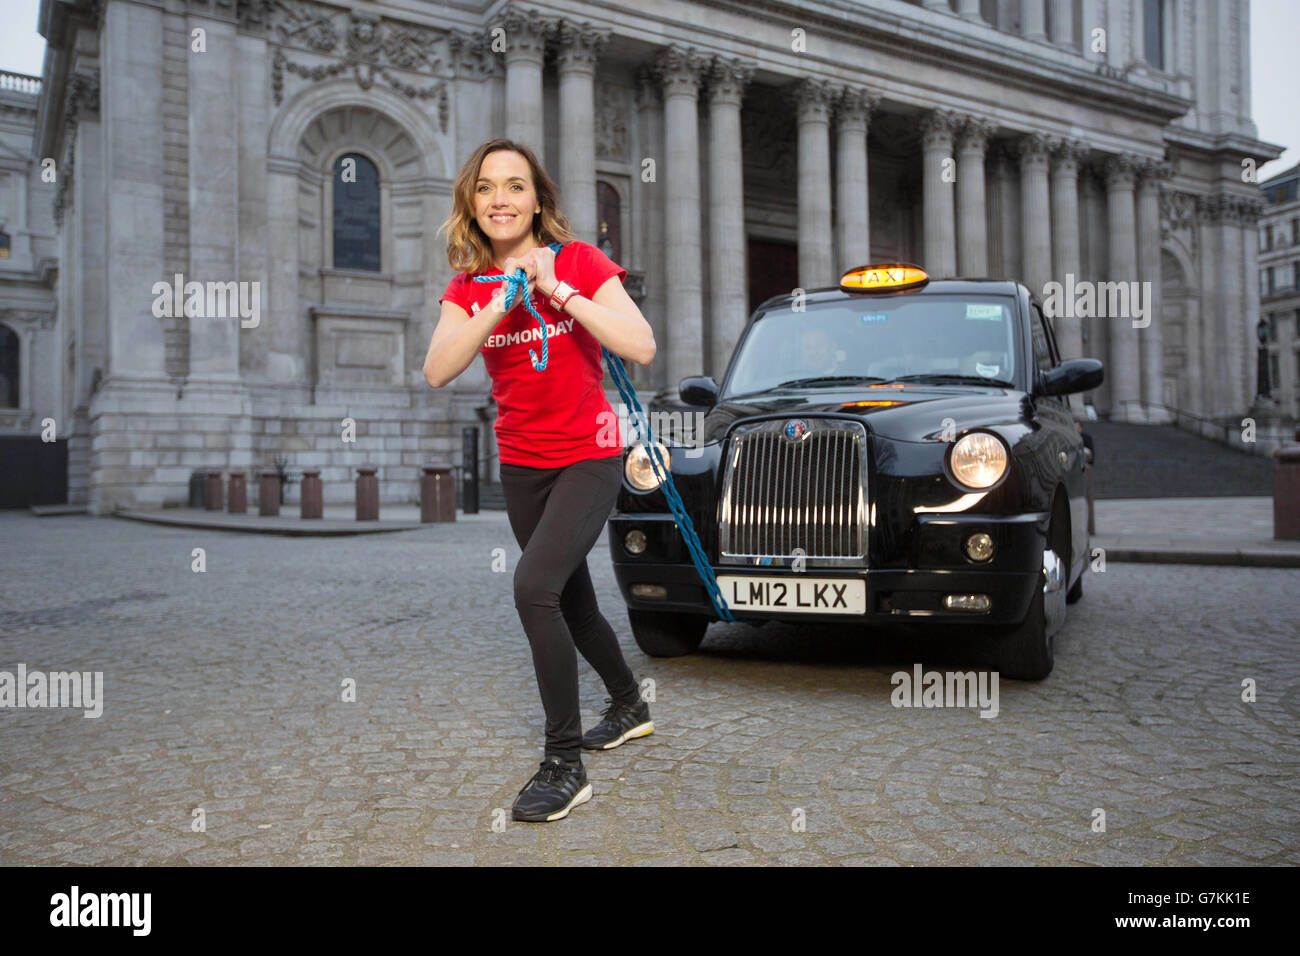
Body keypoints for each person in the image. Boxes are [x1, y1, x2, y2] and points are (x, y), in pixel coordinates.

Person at [423, 139, 657, 823]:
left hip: (589, 454)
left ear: (537, 200)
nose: (501, 199)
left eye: (516, 186)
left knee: (532, 588)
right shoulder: (467, 285)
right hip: (523, 466)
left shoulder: (580, 260)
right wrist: (502, 301)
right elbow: (438, 369)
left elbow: (639, 344)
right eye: (487, 187)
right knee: (571, 600)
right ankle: (630, 705)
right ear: (472, 201)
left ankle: (565, 763)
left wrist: (557, 288)